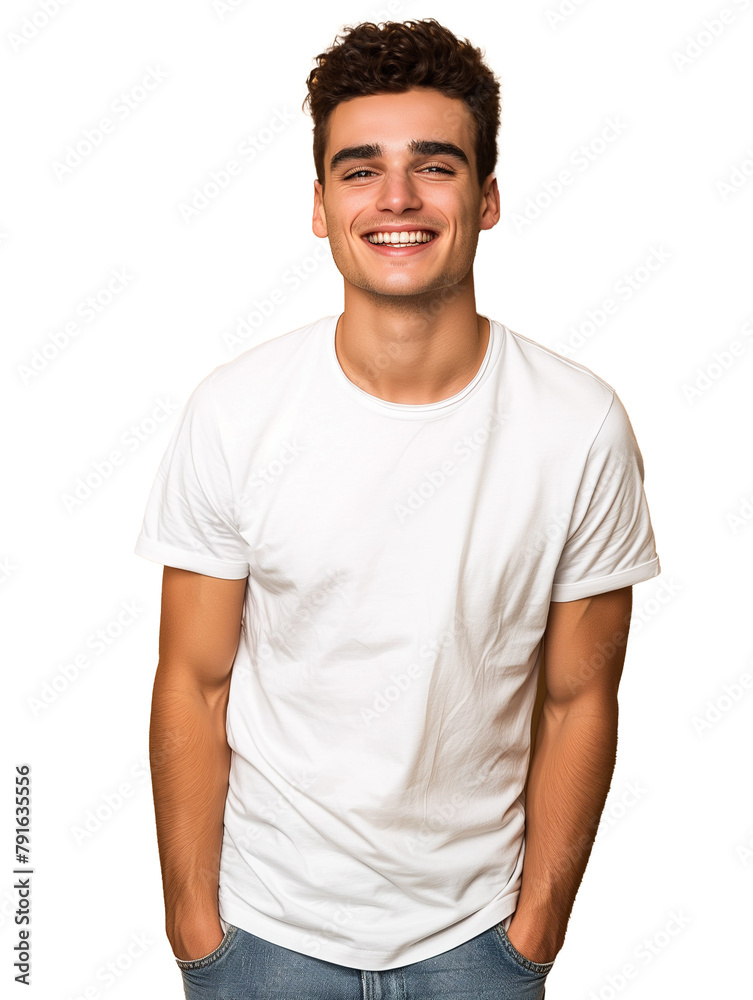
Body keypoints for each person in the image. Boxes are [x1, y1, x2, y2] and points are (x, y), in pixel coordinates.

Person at [134, 18, 661, 1000]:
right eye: (360, 170)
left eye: (436, 165)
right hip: (265, 937)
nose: (399, 200)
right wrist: (195, 929)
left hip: (475, 943)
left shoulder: (576, 426)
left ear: (488, 197)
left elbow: (579, 696)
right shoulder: (236, 413)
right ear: (321, 206)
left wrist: (533, 933)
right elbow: (193, 681)